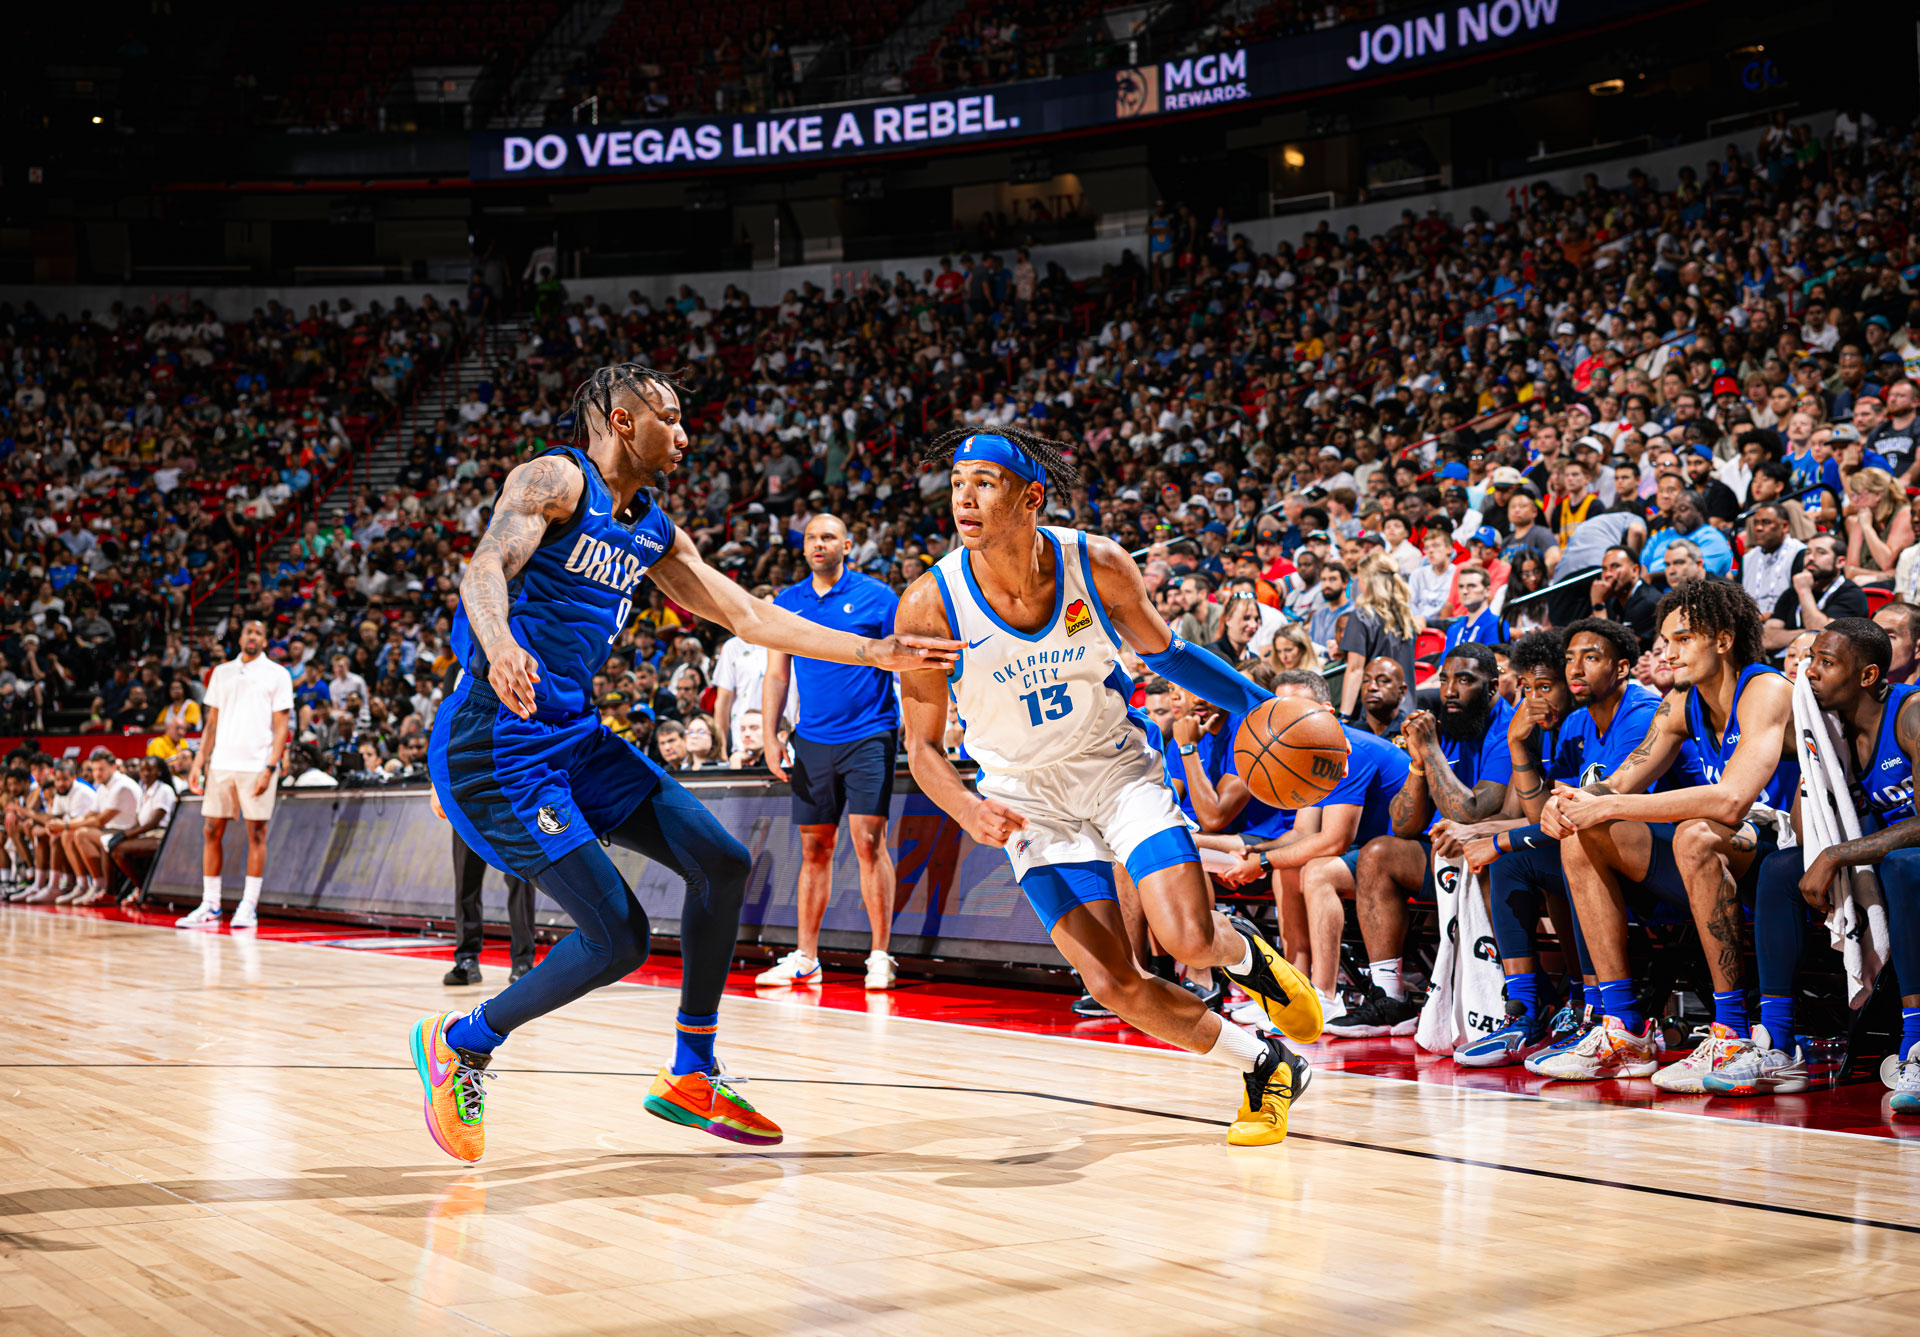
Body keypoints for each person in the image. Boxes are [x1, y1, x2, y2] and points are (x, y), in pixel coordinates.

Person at [416, 363, 956, 1163]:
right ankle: (462, 1041)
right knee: (619, 937)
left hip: (570, 734)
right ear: (623, 420)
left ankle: (692, 1070)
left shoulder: (653, 529)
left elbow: (746, 614)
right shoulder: (556, 478)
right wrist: (498, 645)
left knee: (722, 861)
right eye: (671, 416)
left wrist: (876, 651)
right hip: (495, 742)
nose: (686, 432)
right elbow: (484, 566)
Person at [894, 427, 1322, 1146]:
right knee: (1112, 982)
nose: (963, 496)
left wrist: (1258, 702)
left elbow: (1171, 653)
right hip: (1023, 796)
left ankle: (1246, 954)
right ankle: (1266, 1064)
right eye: (957, 481)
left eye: (985, 482)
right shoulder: (928, 606)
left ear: (1031, 497)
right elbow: (922, 745)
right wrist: (967, 807)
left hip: (1114, 769)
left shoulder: (1096, 563)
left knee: (1187, 936)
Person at [1541, 580, 1798, 1085]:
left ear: (1722, 640)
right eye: (1664, 641)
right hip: (1713, 850)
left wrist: (1613, 803)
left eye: (1682, 639)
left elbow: (1732, 799)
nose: (1668, 653)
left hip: (1785, 849)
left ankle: (1731, 1030)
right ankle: (1623, 1030)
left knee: (1695, 834)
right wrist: (1568, 803)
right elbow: (1617, 782)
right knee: (1581, 831)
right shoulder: (1680, 702)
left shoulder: (1765, 687)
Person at [1705, 620, 1920, 1108]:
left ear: (1866, 676)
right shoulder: (1822, 725)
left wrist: (1837, 854)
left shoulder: (1911, 715)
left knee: (1905, 866)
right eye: (1810, 658)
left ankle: (1917, 1046)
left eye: (1826, 661)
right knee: (1781, 869)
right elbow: (1809, 823)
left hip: (1907, 862)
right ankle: (1779, 1045)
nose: (1810, 671)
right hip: (1878, 860)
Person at [1454, 621, 1661, 1065]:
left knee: (1565, 848)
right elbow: (1541, 817)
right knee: (1516, 864)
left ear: (1621, 667)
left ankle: (1597, 1010)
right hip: (1605, 852)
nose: (1537, 697)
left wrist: (1502, 840)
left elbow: (1597, 815)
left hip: (1658, 856)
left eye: (1544, 685)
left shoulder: (1642, 712)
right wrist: (1516, 743)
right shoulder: (1576, 725)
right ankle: (1528, 1011)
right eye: (1570, 660)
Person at [1325, 644, 1516, 1038]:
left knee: (1480, 857)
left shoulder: (1506, 728)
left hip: (1498, 855)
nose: (1449, 691)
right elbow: (1403, 827)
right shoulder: (1447, 728)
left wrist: (1430, 751)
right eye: (1445, 680)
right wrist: (1417, 763)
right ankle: (1391, 998)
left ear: (1493, 686)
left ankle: (1502, 1002)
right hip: (1445, 856)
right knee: (1377, 854)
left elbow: (1474, 810)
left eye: (1464, 681)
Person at [757, 513, 906, 991]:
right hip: (811, 739)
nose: (817, 544)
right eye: (811, 538)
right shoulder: (787, 602)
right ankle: (806, 957)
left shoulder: (879, 597)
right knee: (813, 848)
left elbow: (905, 663)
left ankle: (880, 954)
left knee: (868, 842)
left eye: (827, 537)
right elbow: (777, 674)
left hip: (870, 735)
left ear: (848, 545)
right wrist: (770, 734)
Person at [1220, 671, 1410, 1027]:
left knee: (1316, 871)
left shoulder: (1350, 751)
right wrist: (1257, 855)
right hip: (1365, 851)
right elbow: (1303, 833)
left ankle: (1326, 995)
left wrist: (1261, 862)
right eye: (1279, 709)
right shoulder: (1305, 753)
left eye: (1297, 709)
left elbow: (1334, 841)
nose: (1285, 718)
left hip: (1403, 855)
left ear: (1326, 711)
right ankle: (1294, 992)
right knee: (1289, 869)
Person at [180, 619, 293, 931]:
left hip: (257, 764)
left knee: (256, 833)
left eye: (259, 632)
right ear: (240, 637)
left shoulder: (277, 674)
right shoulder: (222, 672)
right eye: (248, 632)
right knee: (210, 830)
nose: (253, 637)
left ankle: (248, 905)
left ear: (265, 640)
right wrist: (199, 761)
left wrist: (271, 766)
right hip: (221, 763)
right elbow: (211, 723)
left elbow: (282, 725)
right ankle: (211, 904)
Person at [445, 829, 535, 987]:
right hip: (466, 807)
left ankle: (523, 963)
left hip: (509, 809)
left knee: (521, 881)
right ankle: (467, 961)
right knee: (466, 882)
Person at [1336, 554, 1418, 722]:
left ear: (1369, 581)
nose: (1358, 583)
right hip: (1406, 708)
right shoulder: (1406, 616)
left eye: (1360, 578)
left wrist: (1344, 716)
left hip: (1376, 711)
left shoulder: (1361, 616)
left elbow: (1355, 670)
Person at [56, 749, 142, 905]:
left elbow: (99, 821)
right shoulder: (103, 787)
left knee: (81, 833)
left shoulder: (122, 786)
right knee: (68, 834)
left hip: (125, 832)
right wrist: (66, 826)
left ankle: (100, 886)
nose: (97, 773)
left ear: (114, 767)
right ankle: (84, 885)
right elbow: (90, 815)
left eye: (101, 769)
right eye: (94, 769)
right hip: (109, 831)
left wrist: (66, 824)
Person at [1762, 533, 1868, 651]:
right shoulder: (1793, 591)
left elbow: (1828, 639)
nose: (1811, 558)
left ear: (1840, 562)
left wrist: (1804, 592)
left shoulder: (1851, 595)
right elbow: (1768, 639)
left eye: (1821, 552)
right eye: (1807, 552)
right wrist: (1809, 634)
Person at [108, 756, 177, 908]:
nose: (145, 773)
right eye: (142, 769)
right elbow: (139, 822)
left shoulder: (164, 789)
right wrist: (123, 833)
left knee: (120, 850)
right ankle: (141, 887)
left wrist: (125, 835)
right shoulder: (144, 790)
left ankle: (143, 889)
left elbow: (153, 823)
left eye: (149, 770)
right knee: (114, 846)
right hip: (147, 835)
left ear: (159, 772)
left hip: (162, 836)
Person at [1590, 545, 1661, 649]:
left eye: (1615, 566)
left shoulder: (1649, 601)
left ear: (1635, 570)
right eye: (1604, 569)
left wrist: (1598, 605)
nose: (1607, 574)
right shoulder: (1610, 598)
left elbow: (1618, 649)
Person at [1444, 564, 1508, 651]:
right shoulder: (1453, 629)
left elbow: (1491, 663)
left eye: (1472, 586)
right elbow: (1443, 664)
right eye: (1461, 586)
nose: (1465, 591)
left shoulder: (1497, 625)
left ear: (1487, 591)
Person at [1359, 656, 1410, 740]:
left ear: (1402, 690)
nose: (1371, 687)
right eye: (1366, 680)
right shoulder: (1349, 733)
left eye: (1382, 681)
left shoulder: (1411, 732)